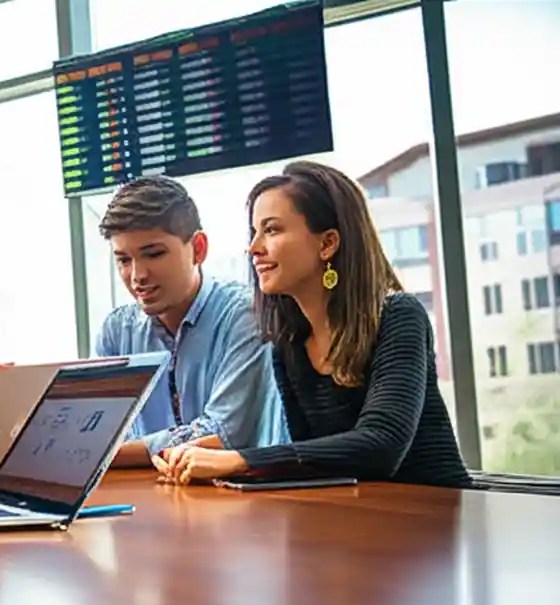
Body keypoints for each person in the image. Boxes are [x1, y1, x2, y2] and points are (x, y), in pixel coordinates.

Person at [155, 160, 469, 487]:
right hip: (359, 521)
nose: (254, 248)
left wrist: (240, 460)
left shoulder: (398, 316)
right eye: (254, 232)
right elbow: (310, 463)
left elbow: (381, 446)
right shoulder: (289, 344)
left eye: (272, 230)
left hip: (435, 520)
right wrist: (215, 461)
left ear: (327, 243)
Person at [93, 176, 286, 468]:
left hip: (231, 500)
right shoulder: (116, 332)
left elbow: (223, 435)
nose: (137, 276)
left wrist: (105, 456)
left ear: (198, 248)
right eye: (124, 260)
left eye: (153, 254)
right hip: (144, 497)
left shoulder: (243, 315)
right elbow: (97, 435)